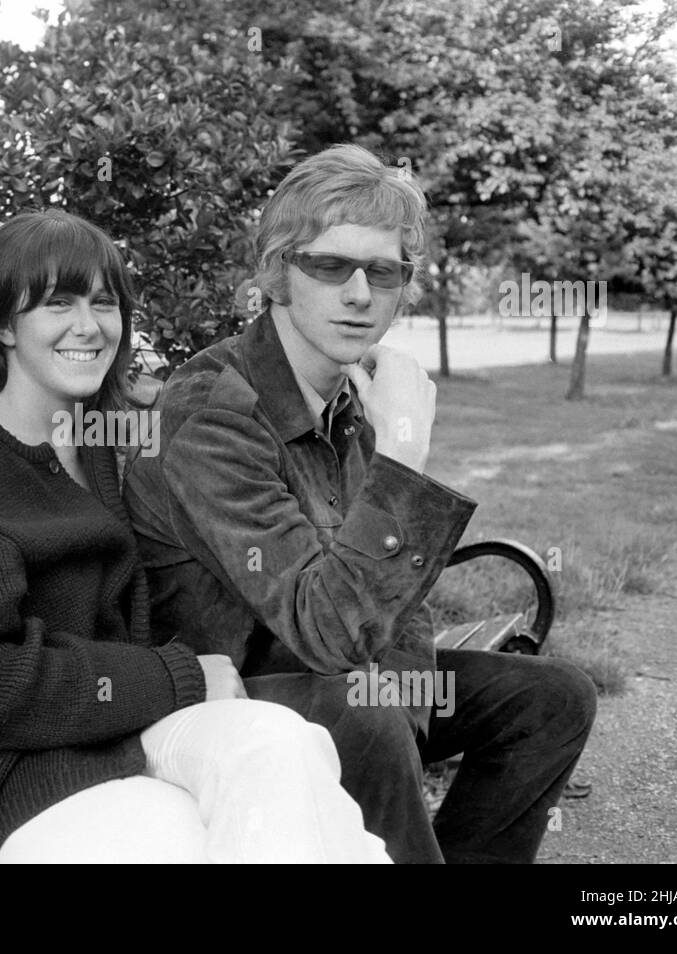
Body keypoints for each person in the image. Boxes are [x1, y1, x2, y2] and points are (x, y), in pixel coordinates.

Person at [0, 208, 391, 864]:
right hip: (23, 780)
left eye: (104, 303)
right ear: (2, 324)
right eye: (58, 303)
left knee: (285, 745)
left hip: (129, 735)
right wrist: (175, 676)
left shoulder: (96, 445)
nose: (88, 326)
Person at [123, 144, 598, 864]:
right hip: (227, 700)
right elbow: (324, 634)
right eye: (329, 265)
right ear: (279, 271)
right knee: (371, 712)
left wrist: (405, 686)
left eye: (382, 272)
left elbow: (396, 602)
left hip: (345, 680)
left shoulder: (348, 393)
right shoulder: (214, 416)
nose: (358, 293)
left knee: (553, 698)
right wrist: (404, 459)